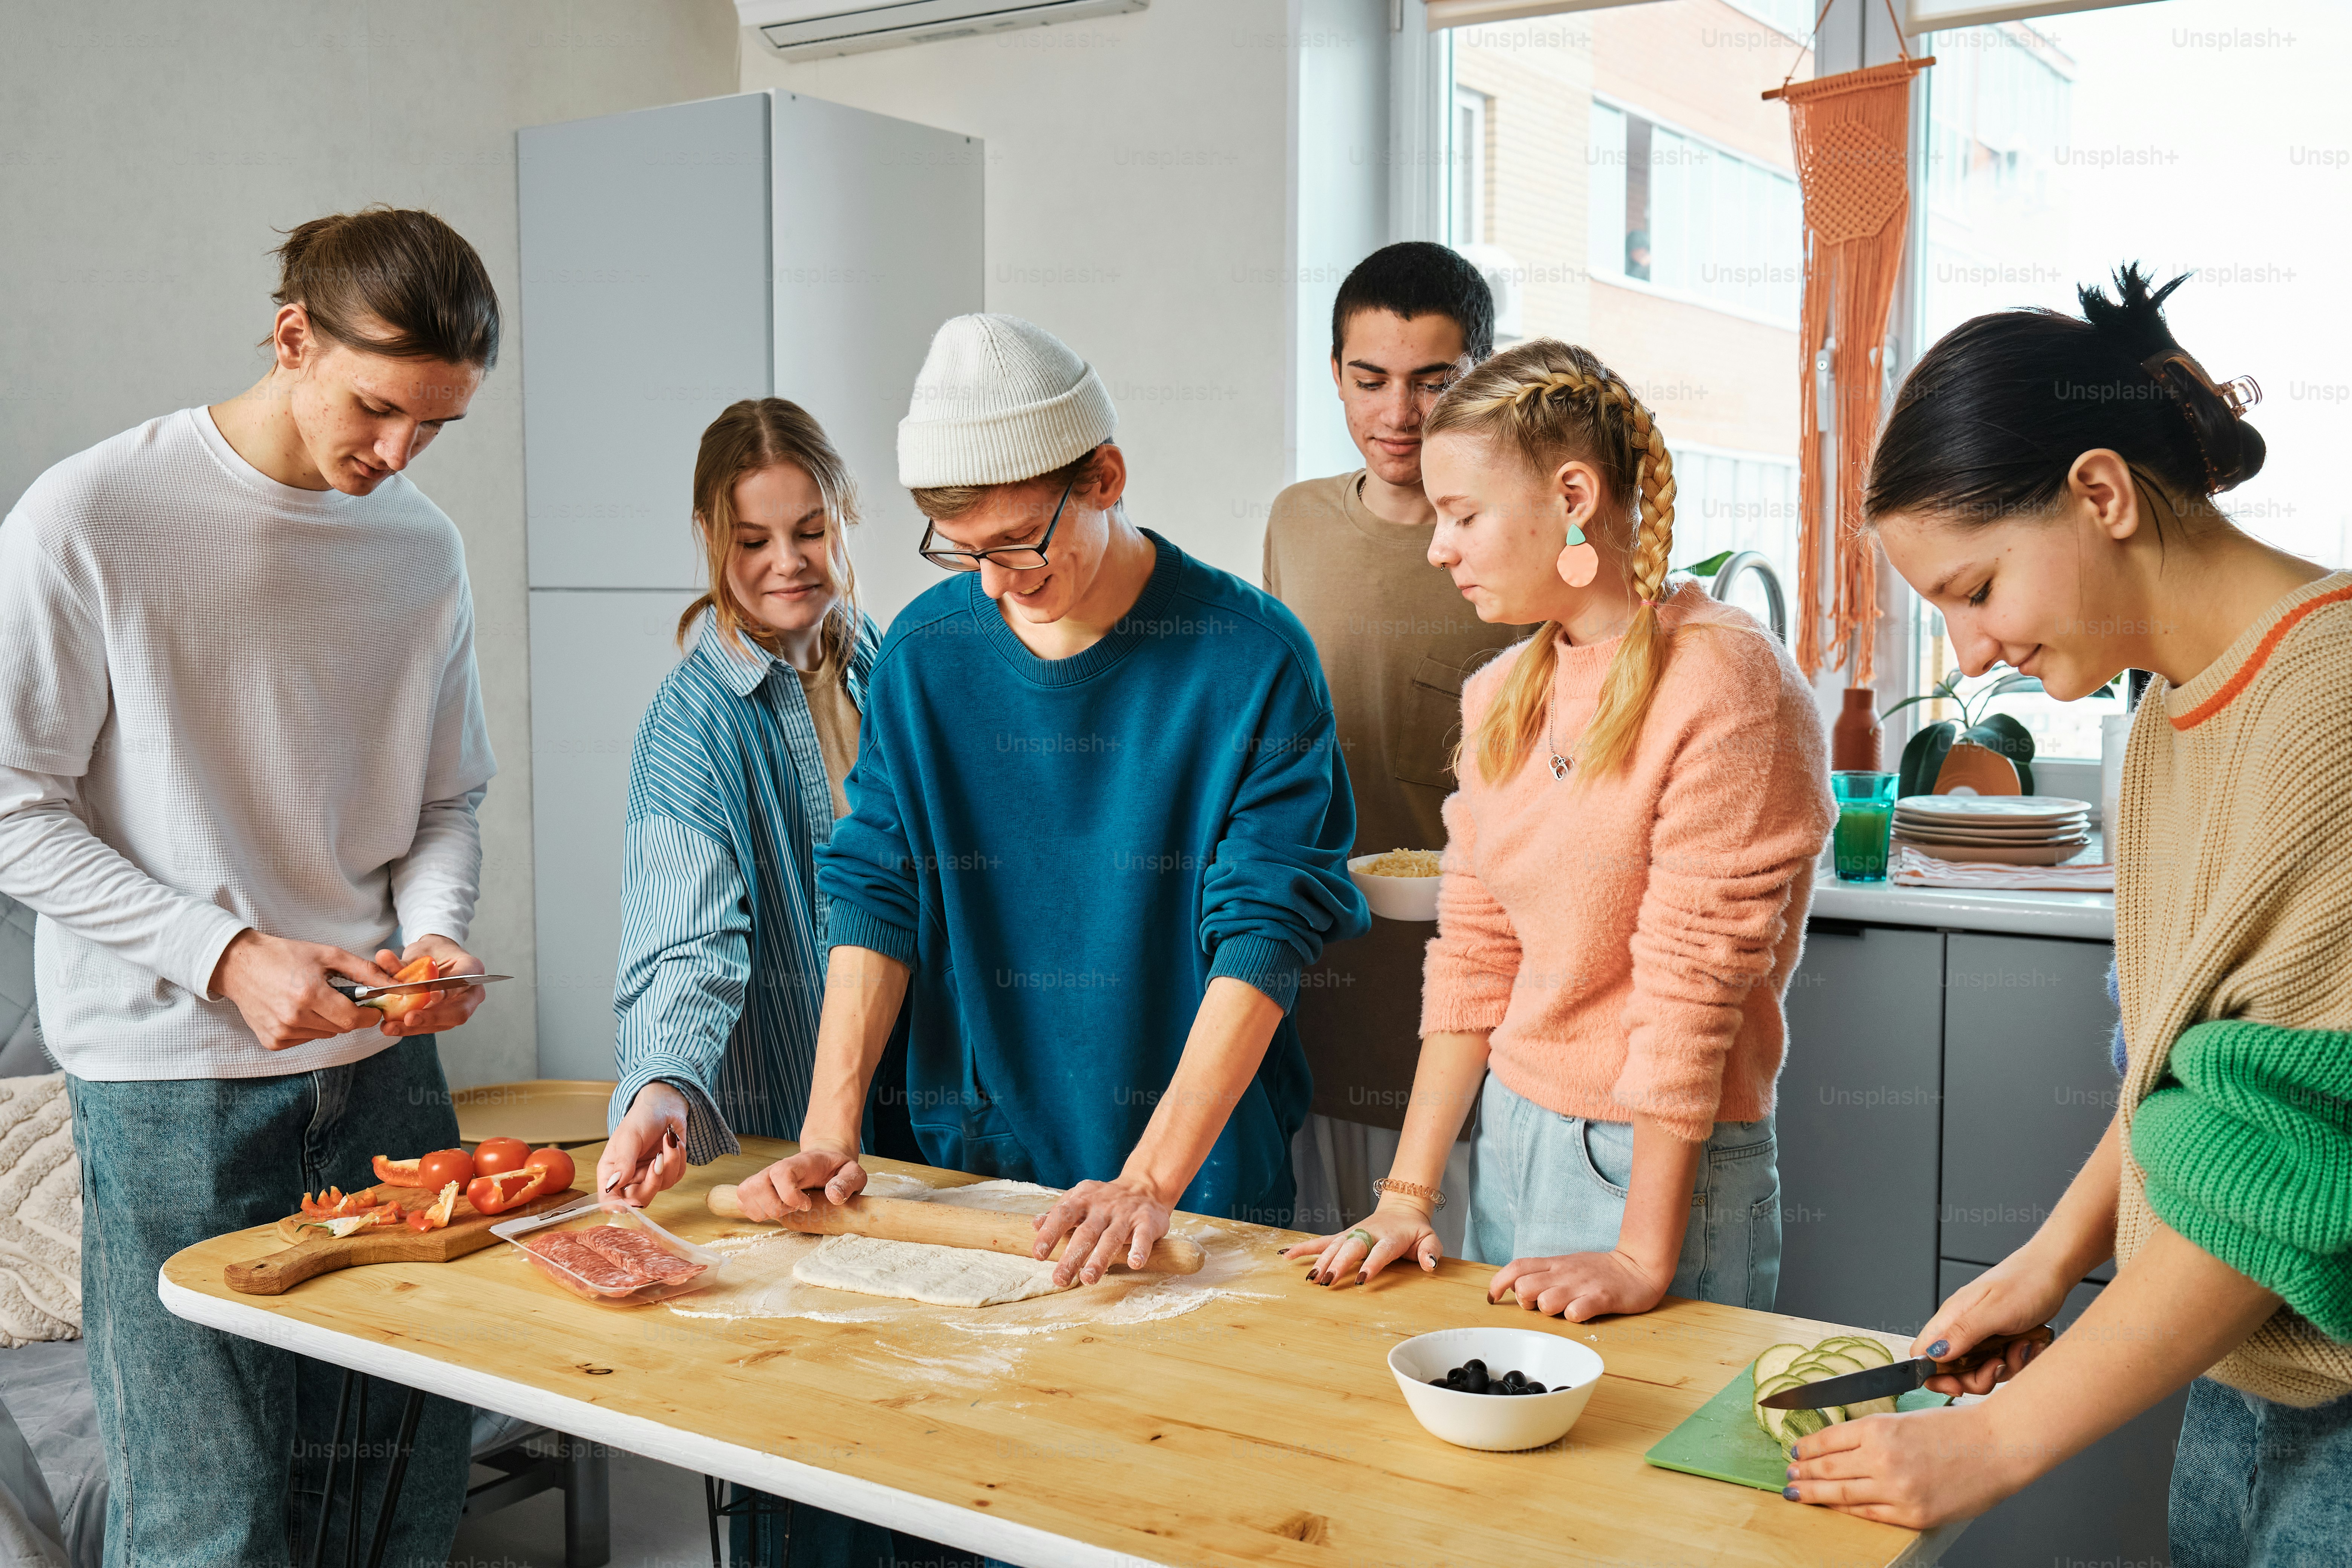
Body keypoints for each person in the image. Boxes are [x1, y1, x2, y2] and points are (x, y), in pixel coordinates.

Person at [1780, 266, 2352, 1562]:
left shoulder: (2332, 709)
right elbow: (2187, 1076)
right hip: (2243, 1374)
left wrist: (1992, 1442)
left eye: (1976, 590)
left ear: (2101, 494)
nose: (1970, 653)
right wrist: (2047, 1262)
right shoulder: (2166, 715)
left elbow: (2294, 1169)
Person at [0, 207, 499, 1563]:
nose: (396, 457)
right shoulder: (88, 516)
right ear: (294, 339)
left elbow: (446, 801)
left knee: (398, 1507)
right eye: (380, 409)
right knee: (210, 1524)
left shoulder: (420, 549)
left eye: (436, 428)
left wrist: (438, 935)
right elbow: (11, 812)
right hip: (169, 1093)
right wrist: (228, 956)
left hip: (387, 1075)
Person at [735, 312, 1369, 1281]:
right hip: (975, 1169)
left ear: (1105, 478)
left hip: (1194, 1185)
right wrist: (832, 1128)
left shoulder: (1253, 660)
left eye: (1017, 543)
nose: (992, 585)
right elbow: (877, 892)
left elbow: (1265, 933)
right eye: (961, 551)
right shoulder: (923, 656)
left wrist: (1149, 1178)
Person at [1283, 339, 1833, 1321]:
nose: (1439, 546)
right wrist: (1406, 1198)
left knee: (1643, 1472)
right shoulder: (1503, 695)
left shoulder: (1726, 683)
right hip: (1511, 1134)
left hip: (1659, 1166)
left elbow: (1691, 993)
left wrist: (1641, 1256)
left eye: (1463, 515)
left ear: (1572, 496)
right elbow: (1475, 960)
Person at [1263, 242, 1533, 1245]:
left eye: (1434, 382)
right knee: (1329, 1250)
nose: (1398, 413)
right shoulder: (1296, 524)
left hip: (1477, 973)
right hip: (1324, 961)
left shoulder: (1524, 544)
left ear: (1482, 379)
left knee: (1458, 1264)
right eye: (1370, 379)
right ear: (1335, 374)